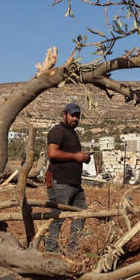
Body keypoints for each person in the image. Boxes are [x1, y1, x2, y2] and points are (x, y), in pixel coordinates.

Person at [44, 103, 91, 253]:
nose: (75, 118)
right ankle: (50, 250)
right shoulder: (58, 131)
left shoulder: (72, 133)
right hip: (60, 182)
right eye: (72, 115)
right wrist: (76, 156)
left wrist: (83, 158)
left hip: (74, 184)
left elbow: (71, 156)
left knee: (81, 213)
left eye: (77, 116)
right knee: (57, 217)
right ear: (64, 114)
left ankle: (73, 250)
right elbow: (52, 153)